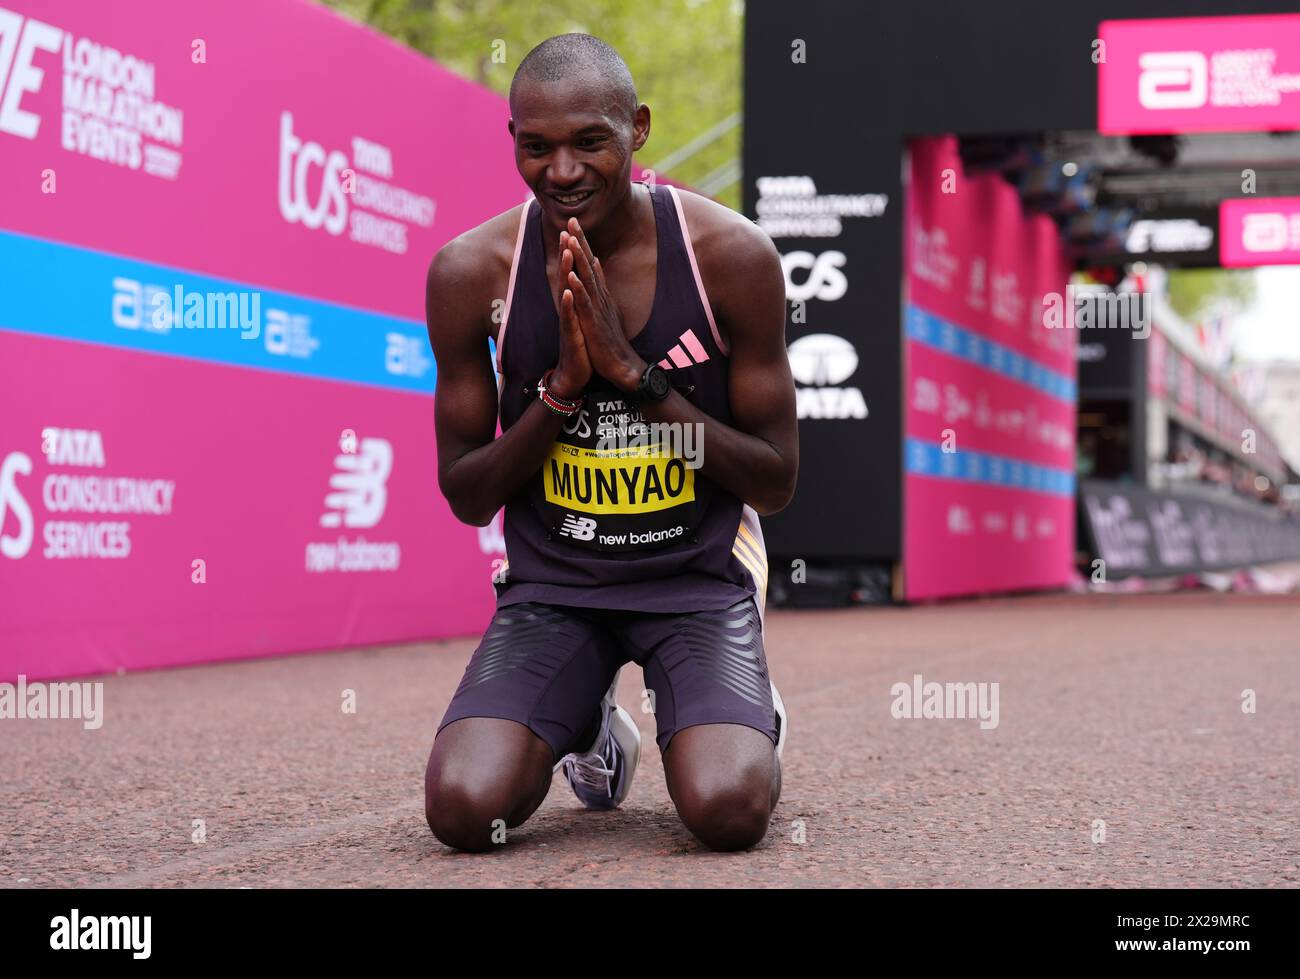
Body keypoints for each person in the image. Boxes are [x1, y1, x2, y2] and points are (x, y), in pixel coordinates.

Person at [423, 33, 797, 852]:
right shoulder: (471, 272)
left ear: (639, 130)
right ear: (514, 141)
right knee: (462, 810)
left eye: (591, 140)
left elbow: (773, 481)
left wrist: (636, 376)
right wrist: (561, 387)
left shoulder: (729, 258)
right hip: (553, 585)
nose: (563, 171)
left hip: (696, 575)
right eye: (537, 146)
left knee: (727, 810)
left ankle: (746, 705)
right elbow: (468, 494)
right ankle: (586, 721)